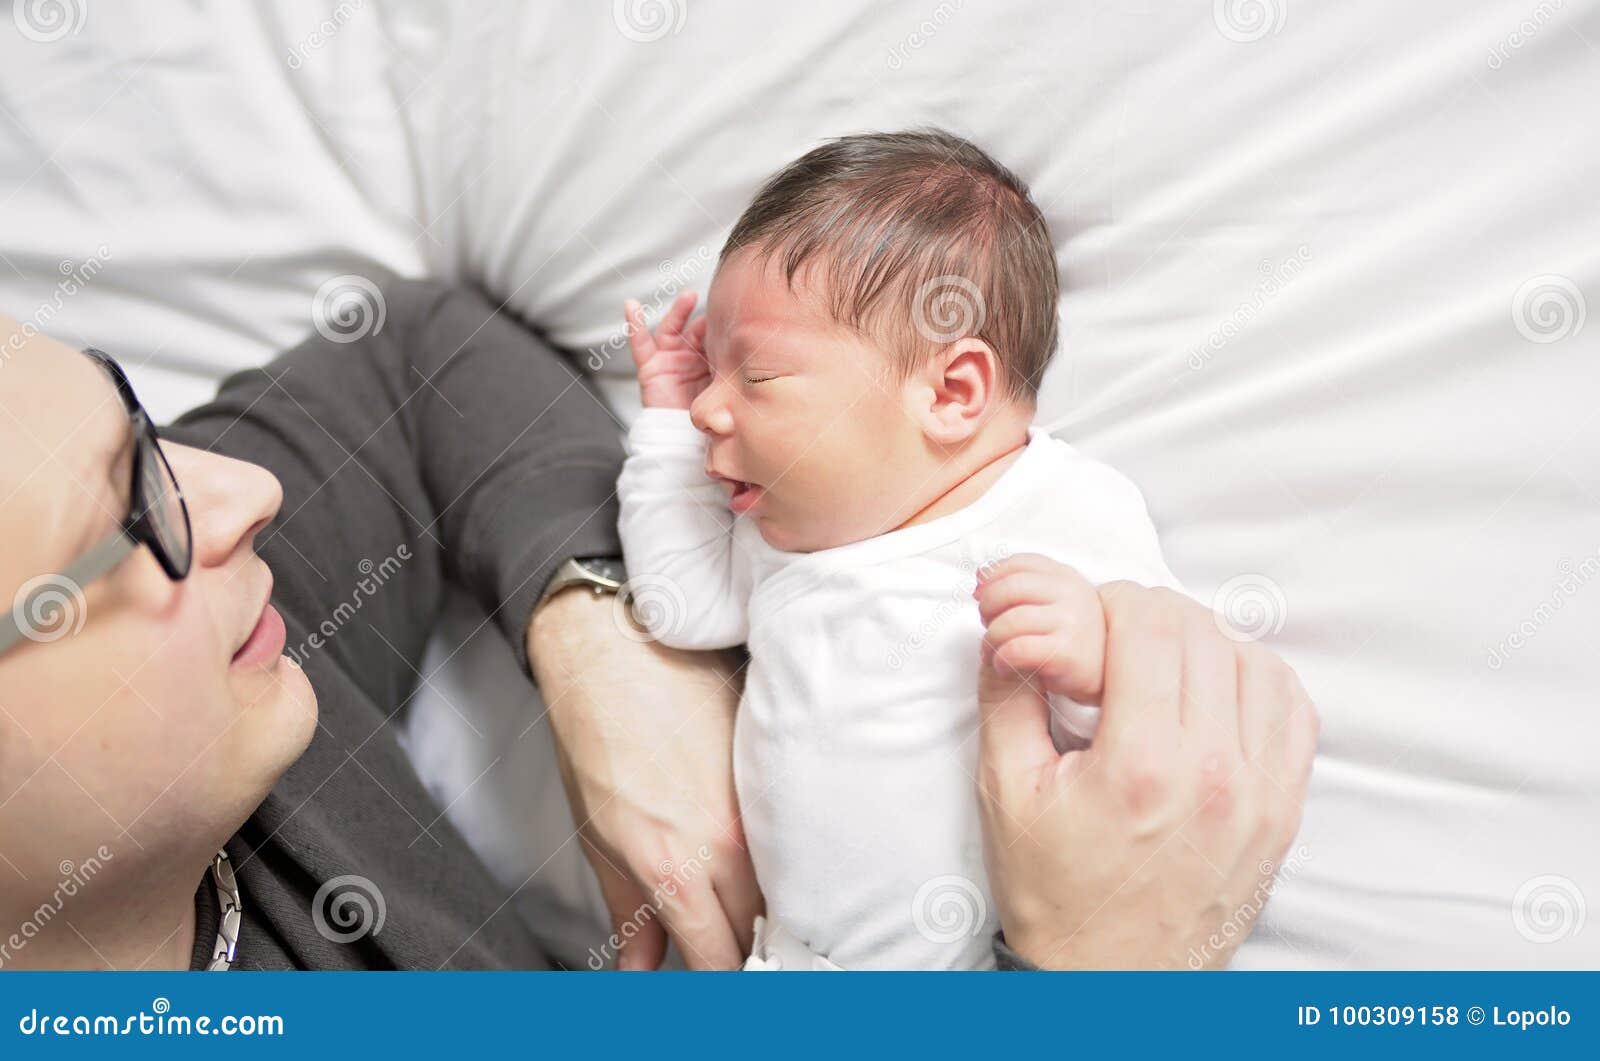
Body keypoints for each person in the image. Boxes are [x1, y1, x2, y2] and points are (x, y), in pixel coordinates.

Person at [0, 280, 1314, 970]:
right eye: (131, 511)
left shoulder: (232, 656)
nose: (244, 497)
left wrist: (600, 645)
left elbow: (414, 365)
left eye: (144, 428)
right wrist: (1102, 984)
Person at [617, 130, 1191, 968]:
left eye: (757, 377)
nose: (711, 408)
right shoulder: (784, 530)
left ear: (952, 392)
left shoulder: (1064, 511)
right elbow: (678, 606)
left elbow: (1159, 740)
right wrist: (665, 423)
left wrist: (1091, 665)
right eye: (707, 376)